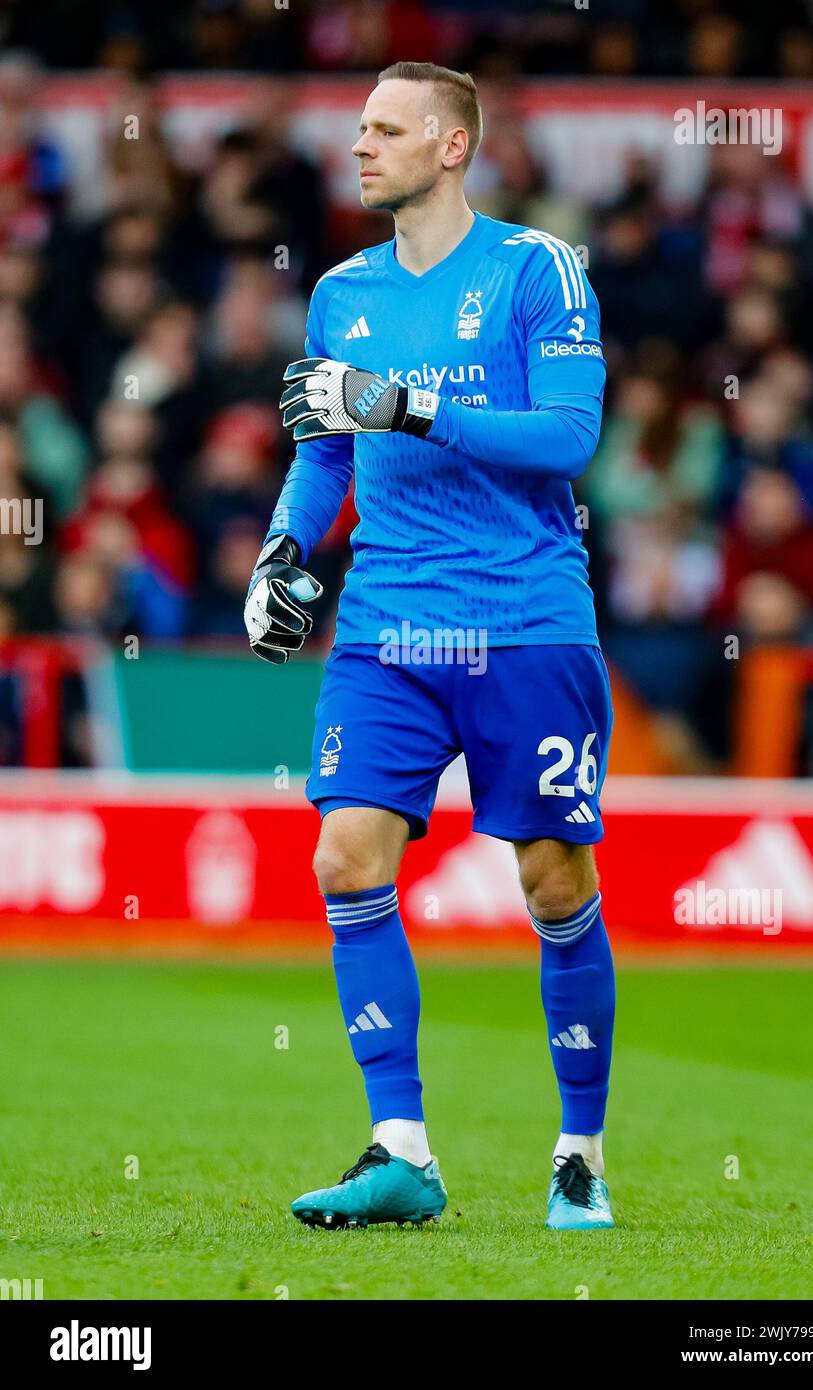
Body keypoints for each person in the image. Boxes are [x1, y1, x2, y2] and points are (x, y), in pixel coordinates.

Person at [245, 62, 614, 1232]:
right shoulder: (340, 294)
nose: (360, 147)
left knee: (552, 878)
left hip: (523, 616)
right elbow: (323, 451)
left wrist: (404, 403)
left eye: (386, 129)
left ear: (450, 147)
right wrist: (280, 553)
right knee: (345, 855)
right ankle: (399, 1148)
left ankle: (579, 1152)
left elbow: (565, 436)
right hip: (388, 621)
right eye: (357, 127)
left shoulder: (534, 270)